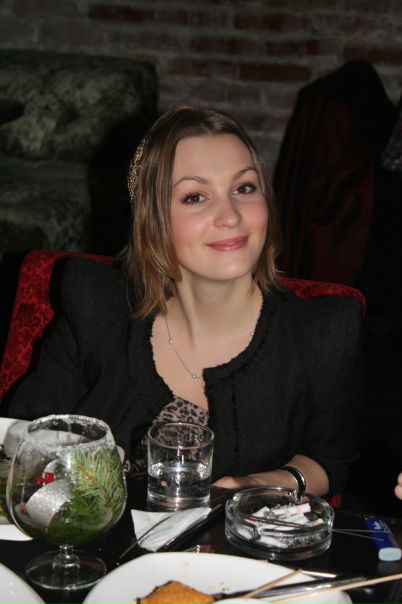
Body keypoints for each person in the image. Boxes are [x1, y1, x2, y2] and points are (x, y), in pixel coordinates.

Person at [6, 104, 364, 497]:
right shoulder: (96, 305)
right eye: (195, 196)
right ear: (153, 218)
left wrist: (255, 484)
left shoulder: (322, 333)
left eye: (244, 188)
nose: (230, 215)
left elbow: (328, 460)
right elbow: (22, 433)